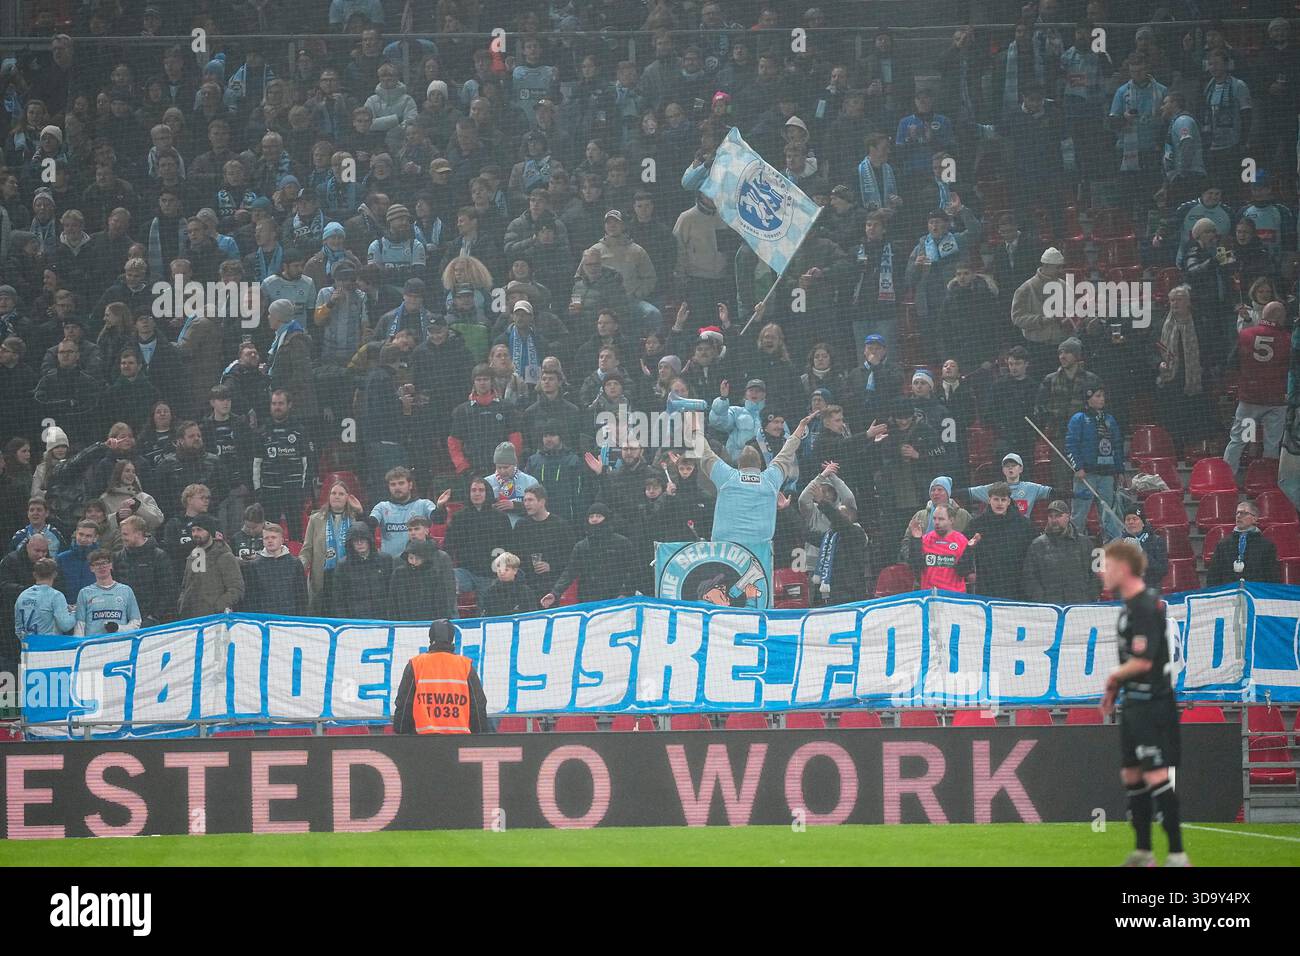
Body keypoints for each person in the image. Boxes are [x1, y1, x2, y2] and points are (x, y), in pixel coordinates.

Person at [1100, 538, 1188, 867]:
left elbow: (1144, 660)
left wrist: (1112, 677)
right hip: (1133, 704)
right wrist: (1115, 689)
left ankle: (1177, 854)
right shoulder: (1127, 609)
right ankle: (1144, 851)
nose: (1102, 573)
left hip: (1154, 704)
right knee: (1132, 775)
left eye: (1107, 566)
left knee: (1156, 775)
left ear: (1124, 569)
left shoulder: (1146, 606)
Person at [693, 411, 810, 555]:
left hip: (725, 553)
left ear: (739, 464)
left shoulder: (727, 477)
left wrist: (695, 429)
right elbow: (787, 453)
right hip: (760, 554)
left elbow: (705, 453)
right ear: (760, 464)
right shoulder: (770, 480)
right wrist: (800, 428)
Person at [391, 619, 490, 735]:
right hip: (459, 739)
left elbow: (404, 703)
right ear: (452, 638)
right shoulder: (465, 665)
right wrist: (480, 735)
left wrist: (401, 730)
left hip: (422, 740)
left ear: (431, 637)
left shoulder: (416, 664)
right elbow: (478, 705)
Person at [540, 503, 635, 607]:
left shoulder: (622, 543)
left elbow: (633, 570)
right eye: (591, 517)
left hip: (617, 601)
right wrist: (554, 593)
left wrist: (625, 593)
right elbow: (569, 572)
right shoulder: (581, 547)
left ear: (607, 518)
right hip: (589, 601)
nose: (594, 519)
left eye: (598, 516)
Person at [1065, 386, 1124, 543]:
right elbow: (1071, 445)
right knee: (1079, 512)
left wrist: (1120, 470)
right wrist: (1078, 467)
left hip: (1107, 473)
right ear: (1088, 399)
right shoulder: (1078, 418)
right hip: (1086, 474)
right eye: (1097, 396)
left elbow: (1117, 445)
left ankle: (1112, 544)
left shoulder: (1109, 419)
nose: (1102, 399)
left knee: (1109, 513)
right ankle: (1073, 544)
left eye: (1103, 396)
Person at [253, 389, 314, 541]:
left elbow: (308, 462)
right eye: (274, 404)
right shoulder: (262, 432)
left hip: (293, 492)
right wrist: (258, 490)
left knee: (296, 534)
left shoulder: (300, 431)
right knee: (270, 534)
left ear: (289, 405)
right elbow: (256, 464)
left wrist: (304, 490)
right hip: (270, 493)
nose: (277, 407)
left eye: (281, 403)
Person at [965, 482, 1037, 601]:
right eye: (996, 499)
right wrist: (970, 571)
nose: (999, 503)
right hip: (987, 587)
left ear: (1009, 501)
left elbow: (1033, 554)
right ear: (989, 500)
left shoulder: (1024, 525)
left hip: (1016, 587)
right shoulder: (976, 524)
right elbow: (964, 548)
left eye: (1003, 500)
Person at [1022, 500, 1101, 605]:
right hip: (1050, 609)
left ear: (1068, 517)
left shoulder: (1086, 543)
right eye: (1051, 516)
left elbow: (1098, 572)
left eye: (1058, 516)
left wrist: (1090, 598)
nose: (1054, 520)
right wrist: (1041, 600)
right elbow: (1029, 577)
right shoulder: (1037, 545)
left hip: (1080, 608)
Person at [112, 515, 176, 628]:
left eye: (125, 534)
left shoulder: (159, 556)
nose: (122, 538)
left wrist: (154, 616)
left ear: (138, 533)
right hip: (125, 620)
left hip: (151, 621)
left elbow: (167, 589)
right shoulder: (118, 557)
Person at [177, 513, 244, 618]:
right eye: (193, 530)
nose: (195, 534)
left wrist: (217, 607)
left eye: (199, 530)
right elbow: (185, 586)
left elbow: (236, 588)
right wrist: (182, 603)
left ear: (210, 531)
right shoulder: (192, 556)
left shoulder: (224, 556)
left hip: (214, 620)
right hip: (191, 618)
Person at [323, 523, 394, 619]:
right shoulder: (343, 566)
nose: (360, 543)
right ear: (350, 543)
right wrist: (345, 621)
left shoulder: (385, 560)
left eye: (363, 539)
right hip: (355, 619)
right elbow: (338, 598)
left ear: (369, 540)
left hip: (383, 618)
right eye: (356, 541)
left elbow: (392, 592)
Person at [903, 504, 978, 593]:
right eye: (934, 518)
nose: (937, 522)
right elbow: (915, 567)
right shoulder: (925, 539)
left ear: (951, 520)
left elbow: (966, 573)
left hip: (954, 595)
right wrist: (916, 539)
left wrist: (969, 549)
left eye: (941, 519)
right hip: (930, 594)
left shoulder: (961, 541)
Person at [1206, 499, 1280, 587]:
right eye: (1237, 513)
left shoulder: (1266, 546)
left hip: (1255, 592)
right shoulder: (1223, 544)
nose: (1239, 516)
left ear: (1255, 518)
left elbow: (1272, 578)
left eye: (1244, 513)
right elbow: (1213, 576)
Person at [240, 523, 308, 615]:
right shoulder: (254, 565)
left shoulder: (295, 563)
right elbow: (251, 597)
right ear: (263, 541)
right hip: (264, 618)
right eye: (266, 538)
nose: (270, 541)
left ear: (282, 540)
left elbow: (302, 596)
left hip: (290, 618)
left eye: (273, 537)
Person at [73, 549, 141, 636]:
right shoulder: (84, 593)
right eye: (97, 564)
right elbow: (80, 625)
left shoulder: (126, 590)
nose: (101, 567)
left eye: (104, 563)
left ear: (111, 565)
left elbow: (136, 621)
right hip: (93, 643)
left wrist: (118, 628)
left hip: (119, 642)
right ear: (91, 568)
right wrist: (80, 643)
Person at [14, 557, 75, 638]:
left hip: (28, 645)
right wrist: (74, 612)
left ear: (34, 574)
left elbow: (18, 629)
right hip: (50, 645)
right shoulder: (56, 596)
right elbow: (66, 626)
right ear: (55, 574)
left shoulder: (22, 595)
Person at [1120, 504, 1169, 593]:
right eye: (1128, 519)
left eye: (1135, 519)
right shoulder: (1118, 543)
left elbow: (1162, 570)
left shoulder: (1156, 541)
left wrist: (1141, 552)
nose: (1131, 522)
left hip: (1150, 590)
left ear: (1143, 523)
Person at [482, 551, 536, 617]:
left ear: (515, 571)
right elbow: (486, 615)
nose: (502, 573)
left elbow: (532, 615)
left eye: (506, 570)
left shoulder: (526, 591)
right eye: (499, 569)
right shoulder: (490, 591)